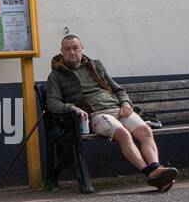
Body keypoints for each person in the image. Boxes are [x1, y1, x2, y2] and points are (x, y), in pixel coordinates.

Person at [46, 34, 179, 191]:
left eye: (75, 48)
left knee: (145, 131)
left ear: (82, 49)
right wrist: (72, 108)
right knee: (123, 134)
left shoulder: (96, 66)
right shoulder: (56, 75)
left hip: (119, 109)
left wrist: (125, 102)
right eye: (67, 49)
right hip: (97, 114)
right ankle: (150, 172)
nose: (72, 52)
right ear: (62, 51)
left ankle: (156, 168)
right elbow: (53, 103)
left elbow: (118, 89)